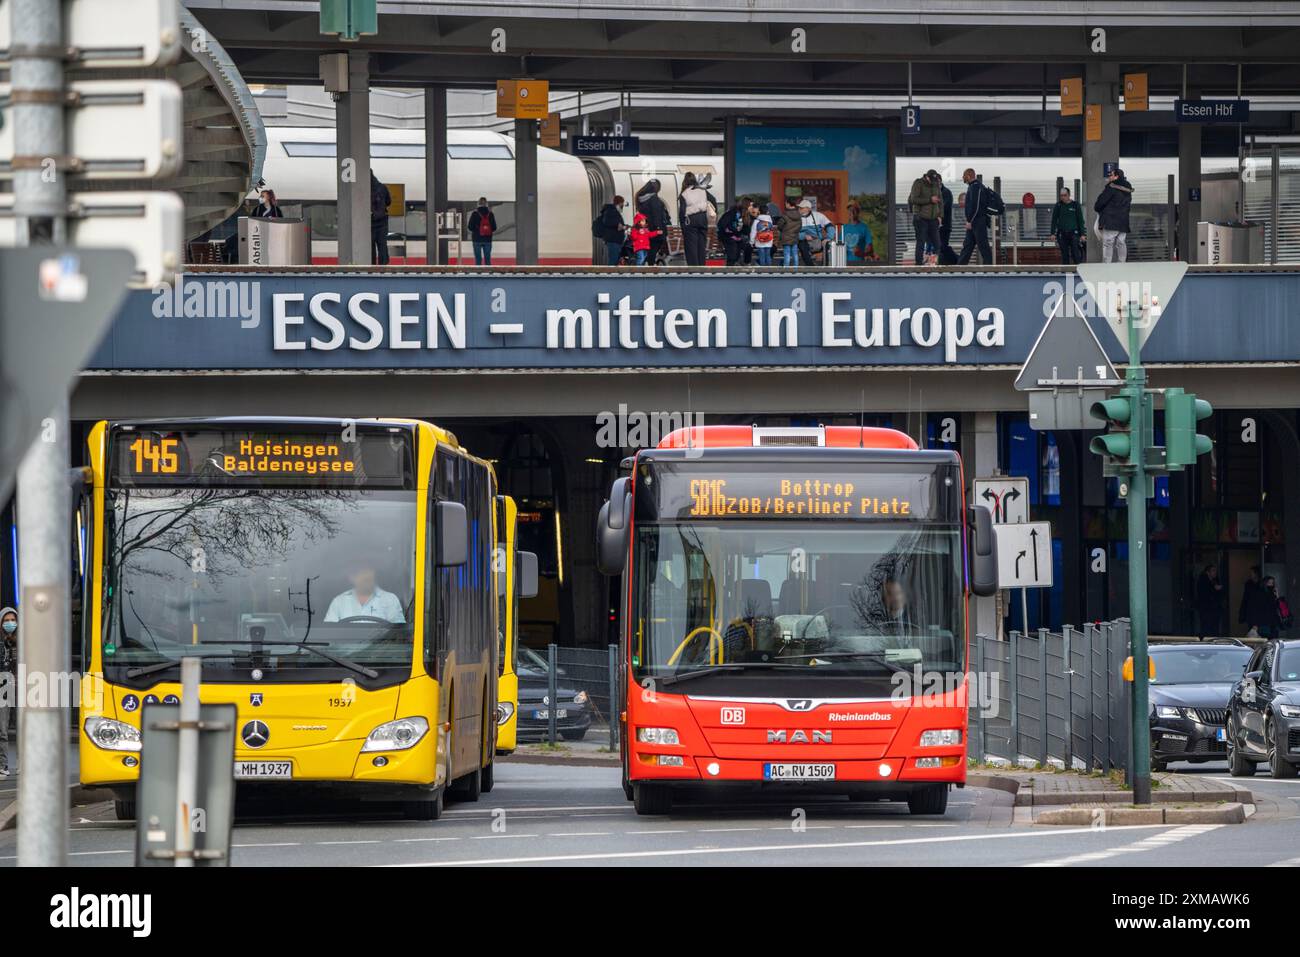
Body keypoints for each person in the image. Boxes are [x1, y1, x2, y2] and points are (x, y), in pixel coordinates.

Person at [325, 565, 405, 624]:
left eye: (368, 571)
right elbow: (329, 631)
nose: (365, 576)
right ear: (351, 578)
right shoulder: (339, 601)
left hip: (381, 646)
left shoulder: (390, 599)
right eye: (360, 573)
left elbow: (398, 634)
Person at [1094, 166, 1133, 263]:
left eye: (1111, 175)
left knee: (1108, 243)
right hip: (1123, 221)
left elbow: (1100, 203)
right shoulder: (1128, 190)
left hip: (1111, 220)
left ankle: (1107, 266)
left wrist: (1098, 208)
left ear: (1116, 177)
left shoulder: (1111, 187)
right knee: (1121, 243)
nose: (1109, 177)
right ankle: (1122, 263)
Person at [957, 168, 993, 265]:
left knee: (983, 245)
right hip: (975, 222)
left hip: (977, 222)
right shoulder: (973, 186)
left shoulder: (976, 187)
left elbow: (976, 206)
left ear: (968, 176)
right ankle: (960, 267)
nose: (963, 178)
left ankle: (989, 267)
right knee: (968, 245)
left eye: (964, 176)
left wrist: (970, 221)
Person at [908, 169, 943, 265]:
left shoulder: (936, 184)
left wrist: (940, 216)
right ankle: (918, 264)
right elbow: (913, 199)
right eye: (931, 179)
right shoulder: (918, 183)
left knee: (937, 244)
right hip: (921, 218)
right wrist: (930, 200)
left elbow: (941, 201)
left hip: (933, 219)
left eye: (934, 180)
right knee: (921, 242)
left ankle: (933, 263)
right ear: (927, 177)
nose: (933, 182)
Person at [678, 172, 713, 266]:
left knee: (691, 246)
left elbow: (682, 211)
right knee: (701, 245)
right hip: (702, 219)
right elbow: (713, 199)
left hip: (690, 221)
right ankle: (702, 268)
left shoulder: (684, 194)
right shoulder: (702, 190)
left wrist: (682, 225)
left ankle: (694, 269)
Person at [635, 180, 672, 266]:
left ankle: (647, 263)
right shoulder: (654, 200)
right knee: (654, 248)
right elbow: (657, 216)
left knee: (650, 248)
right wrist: (659, 229)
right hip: (655, 231)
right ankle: (650, 265)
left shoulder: (641, 199)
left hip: (645, 230)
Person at [1050, 187, 1085, 265]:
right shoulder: (1058, 205)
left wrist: (1082, 234)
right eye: (1061, 195)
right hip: (1062, 233)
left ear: (1069, 195)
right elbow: (1054, 220)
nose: (1063, 197)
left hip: (1073, 233)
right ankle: (1065, 272)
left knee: (1075, 252)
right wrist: (1052, 233)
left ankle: (1078, 270)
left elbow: (1080, 220)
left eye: (1065, 195)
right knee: (1064, 253)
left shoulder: (1075, 205)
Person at [0, 607, 16, 776]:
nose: (10, 623)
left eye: (12, 620)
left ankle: (22, 764)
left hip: (19, 690)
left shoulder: (21, 642)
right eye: (6, 620)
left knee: (22, 729)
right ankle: (3, 765)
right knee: (2, 730)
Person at [796, 199, 833, 266]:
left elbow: (830, 226)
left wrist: (828, 238)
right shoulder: (795, 218)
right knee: (802, 245)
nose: (799, 209)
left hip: (818, 241)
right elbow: (791, 233)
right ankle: (811, 267)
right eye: (799, 207)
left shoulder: (818, 216)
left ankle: (826, 267)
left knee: (828, 244)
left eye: (801, 208)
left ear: (808, 209)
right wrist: (804, 236)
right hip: (804, 242)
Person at [596, 194, 628, 265]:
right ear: (619, 203)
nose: (622, 205)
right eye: (622, 203)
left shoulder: (614, 211)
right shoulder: (611, 211)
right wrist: (619, 225)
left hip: (616, 240)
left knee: (615, 260)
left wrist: (623, 226)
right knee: (613, 260)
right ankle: (610, 275)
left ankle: (613, 274)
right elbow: (607, 222)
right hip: (613, 240)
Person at [1194, 564, 1224, 639]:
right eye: (1213, 571)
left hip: (1215, 610)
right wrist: (1214, 589)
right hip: (1206, 609)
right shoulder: (1202, 581)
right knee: (1206, 627)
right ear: (1208, 572)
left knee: (1214, 628)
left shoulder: (1216, 580)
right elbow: (1204, 594)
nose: (1215, 573)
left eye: (1215, 571)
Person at [466, 197, 497, 266]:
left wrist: (476, 230)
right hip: (488, 240)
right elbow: (494, 228)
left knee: (478, 260)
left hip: (476, 239)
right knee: (487, 259)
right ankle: (488, 274)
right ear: (486, 204)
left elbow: (470, 227)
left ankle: (478, 274)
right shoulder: (490, 214)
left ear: (478, 204)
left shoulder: (474, 214)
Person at [718, 198, 749, 266]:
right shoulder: (731, 213)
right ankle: (730, 270)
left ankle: (737, 266)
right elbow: (724, 225)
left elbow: (745, 229)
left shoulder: (744, 215)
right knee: (732, 255)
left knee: (742, 250)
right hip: (728, 236)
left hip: (736, 237)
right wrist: (736, 231)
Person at [370, 172, 391, 265]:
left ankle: (371, 268)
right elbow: (389, 202)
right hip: (382, 222)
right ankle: (384, 268)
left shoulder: (365, 188)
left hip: (370, 222)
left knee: (371, 247)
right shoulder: (383, 187)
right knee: (382, 246)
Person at [776, 199, 802, 267]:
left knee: (787, 254)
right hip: (795, 236)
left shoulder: (785, 214)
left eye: (786, 203)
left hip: (786, 237)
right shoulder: (799, 214)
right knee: (795, 254)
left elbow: (780, 225)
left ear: (788, 204)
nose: (785, 205)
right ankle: (795, 268)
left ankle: (786, 269)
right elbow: (800, 226)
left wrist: (784, 230)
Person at [937, 175, 956, 264]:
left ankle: (956, 260)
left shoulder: (946, 192)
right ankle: (943, 263)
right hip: (936, 225)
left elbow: (945, 207)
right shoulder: (935, 192)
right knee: (941, 247)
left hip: (945, 225)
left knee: (943, 247)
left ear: (940, 181)